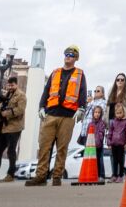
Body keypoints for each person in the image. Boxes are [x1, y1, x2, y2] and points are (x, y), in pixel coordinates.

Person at [23, 45, 86, 187]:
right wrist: (41, 107)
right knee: (44, 146)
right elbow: (46, 91)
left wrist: (82, 108)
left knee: (62, 147)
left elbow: (82, 92)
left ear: (76, 58)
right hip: (51, 114)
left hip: (68, 116)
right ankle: (40, 176)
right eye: (66, 53)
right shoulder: (55, 72)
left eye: (71, 54)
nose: (68, 56)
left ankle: (57, 176)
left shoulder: (80, 74)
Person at [106, 103, 126, 180]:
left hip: (121, 144)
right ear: (115, 114)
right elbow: (110, 133)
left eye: (120, 113)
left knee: (121, 161)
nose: (119, 115)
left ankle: (120, 175)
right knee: (115, 160)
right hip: (114, 144)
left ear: (123, 113)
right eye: (117, 113)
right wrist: (109, 143)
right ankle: (114, 175)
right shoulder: (112, 122)